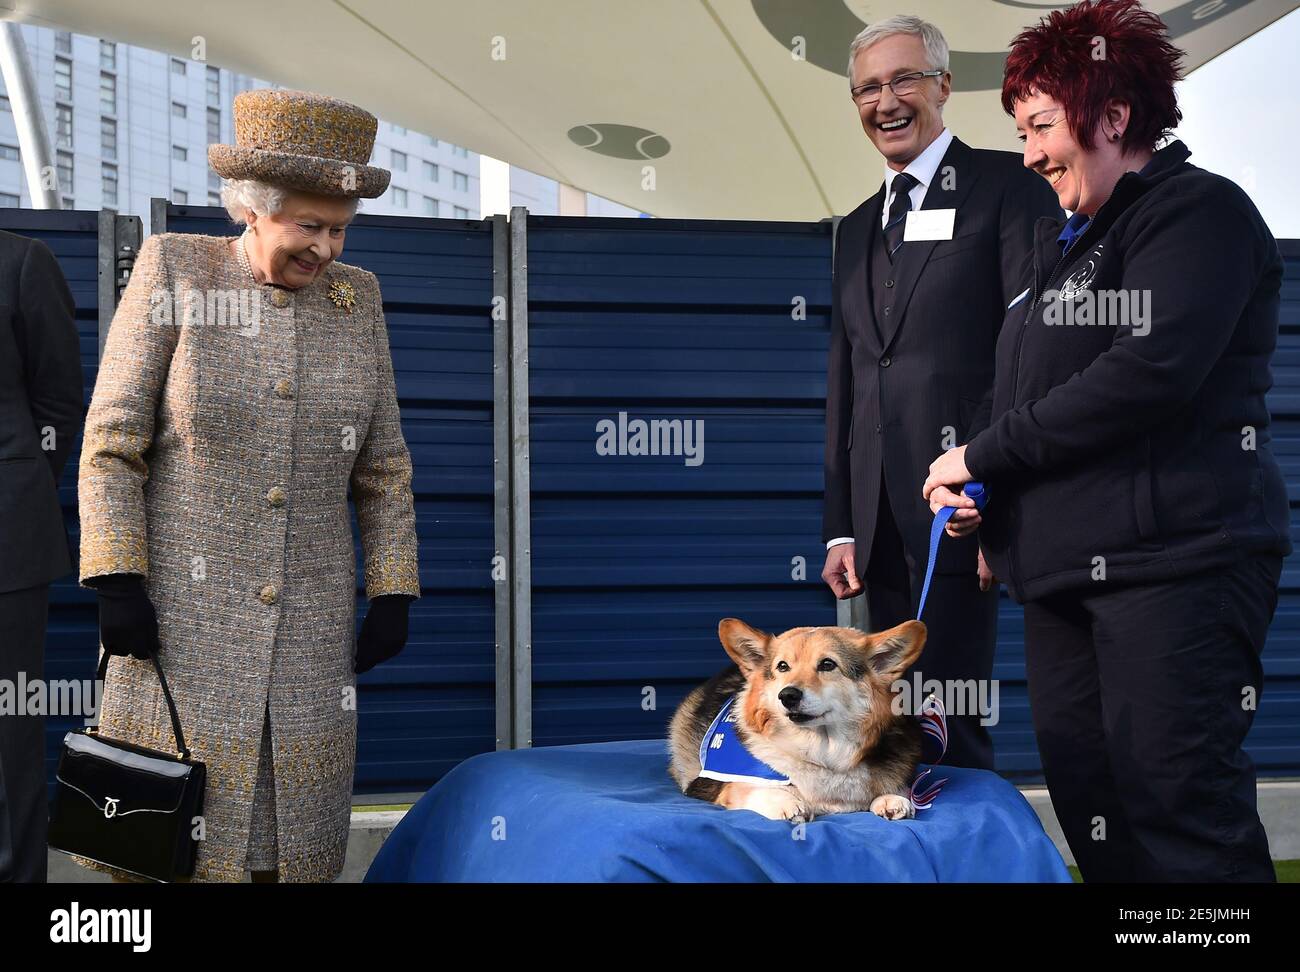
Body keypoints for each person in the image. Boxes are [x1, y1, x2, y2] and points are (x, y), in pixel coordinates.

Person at [923, 0, 1289, 881]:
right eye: (1021, 130)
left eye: (1042, 125)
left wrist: (979, 457)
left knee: (1179, 811)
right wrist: (987, 503)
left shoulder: (1197, 212)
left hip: (1174, 568)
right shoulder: (1065, 250)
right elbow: (1029, 395)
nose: (1030, 154)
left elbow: (1148, 371)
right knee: (1095, 813)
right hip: (1059, 582)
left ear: (1113, 117)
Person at [77, 89, 421, 883]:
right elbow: (111, 442)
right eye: (309, 225)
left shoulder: (355, 298)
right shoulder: (178, 269)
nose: (327, 248)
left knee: (291, 848)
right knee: (165, 846)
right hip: (177, 623)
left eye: (340, 229)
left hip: (311, 623)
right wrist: (117, 577)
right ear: (255, 211)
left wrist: (393, 587)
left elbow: (384, 467)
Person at [820, 15, 1060, 769]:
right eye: (867, 88)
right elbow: (849, 374)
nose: (884, 101)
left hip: (957, 504)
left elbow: (1031, 345)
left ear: (943, 87)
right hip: (874, 523)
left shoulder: (1009, 188)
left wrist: (988, 475)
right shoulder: (856, 227)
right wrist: (838, 526)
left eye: (903, 80)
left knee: (950, 714)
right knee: (880, 723)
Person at [0, 231, 83, 883]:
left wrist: (19, 490)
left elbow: (57, 404)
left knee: (6, 741)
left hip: (5, 548)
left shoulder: (23, 262)